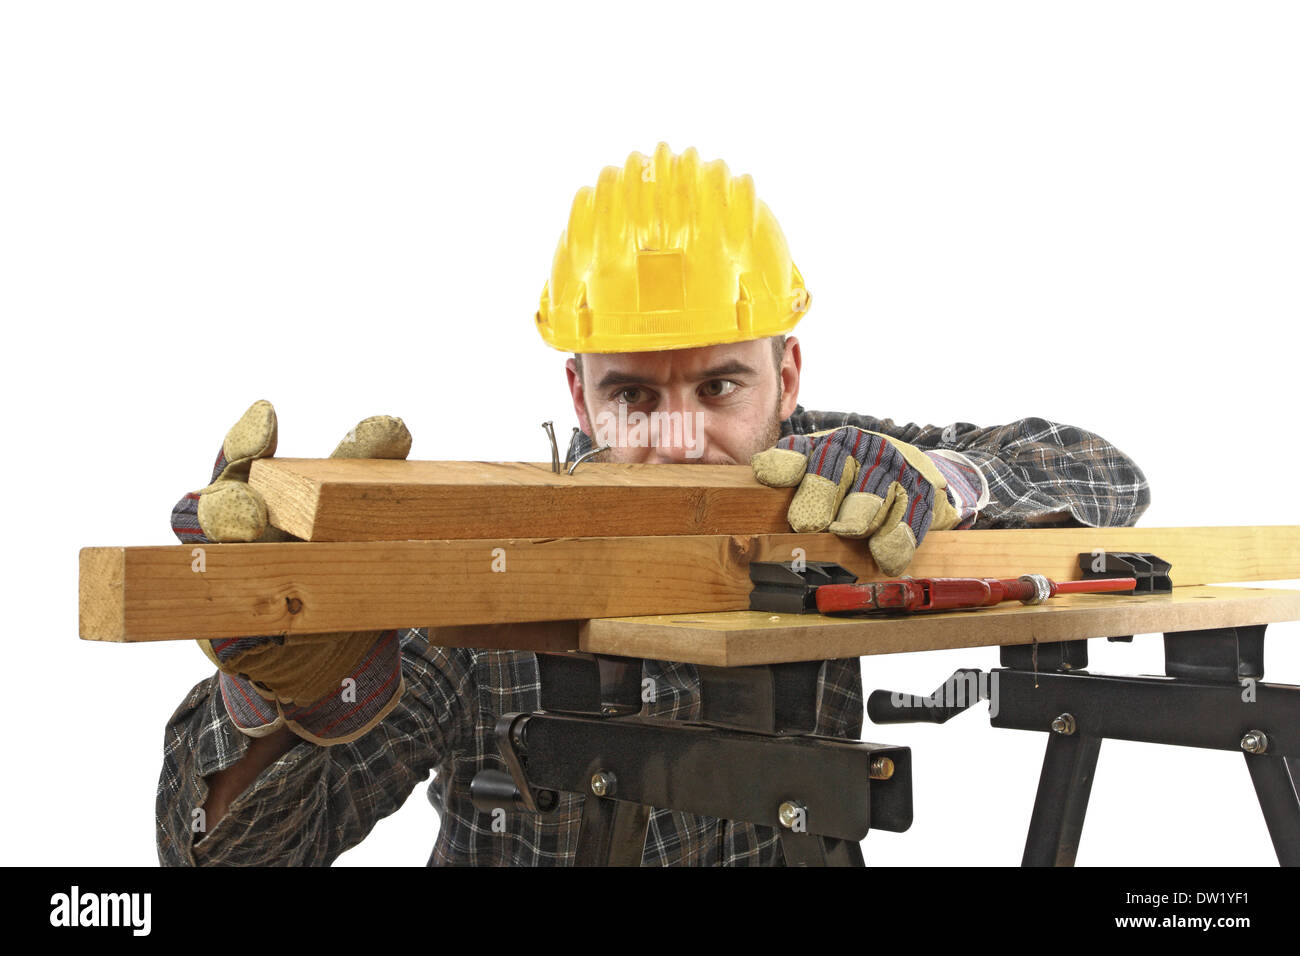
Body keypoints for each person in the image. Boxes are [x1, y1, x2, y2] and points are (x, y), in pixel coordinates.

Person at [155, 145, 1150, 866]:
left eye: (719, 387)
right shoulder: (481, 567)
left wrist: (943, 480)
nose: (678, 438)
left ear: (787, 374)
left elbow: (1108, 477)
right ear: (579, 396)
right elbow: (226, 857)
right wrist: (281, 696)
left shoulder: (834, 480)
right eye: (634, 393)